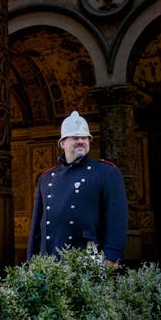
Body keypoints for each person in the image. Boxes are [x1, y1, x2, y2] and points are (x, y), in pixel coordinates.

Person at [26, 110, 128, 264]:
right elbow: (37, 227)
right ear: (62, 143)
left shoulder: (107, 172)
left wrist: (111, 257)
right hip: (50, 262)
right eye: (75, 137)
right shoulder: (46, 178)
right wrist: (31, 260)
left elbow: (117, 219)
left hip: (88, 259)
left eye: (85, 137)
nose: (81, 141)